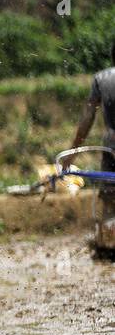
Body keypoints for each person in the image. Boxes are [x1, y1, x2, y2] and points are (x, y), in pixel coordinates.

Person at [69, 40, 115, 237]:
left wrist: (72, 153)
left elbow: (87, 118)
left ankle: (108, 238)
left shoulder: (102, 79)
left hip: (111, 147)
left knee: (110, 197)